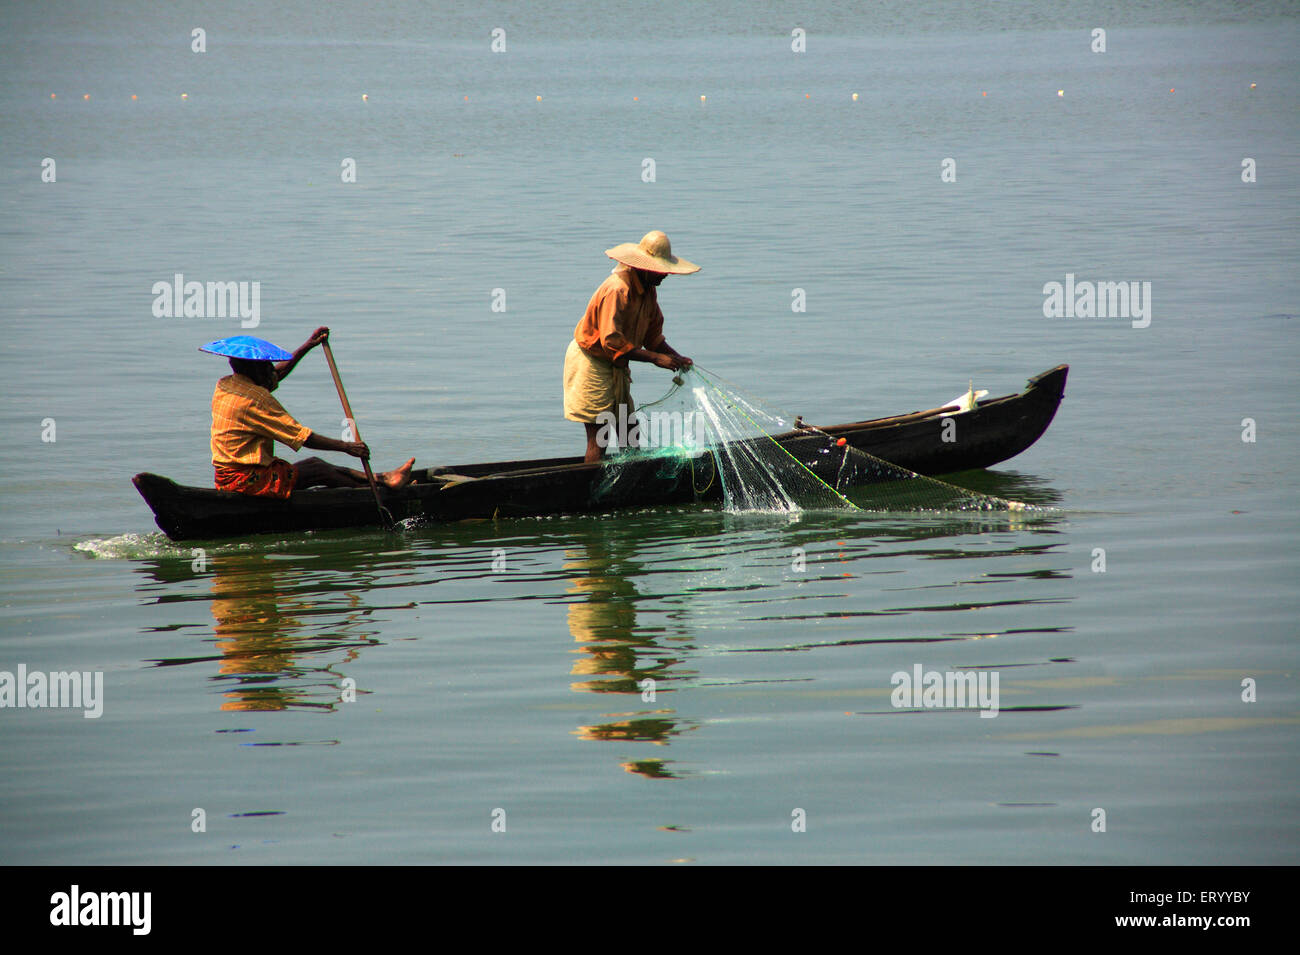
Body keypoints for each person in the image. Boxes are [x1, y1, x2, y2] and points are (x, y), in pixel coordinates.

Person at [203, 328, 414, 498]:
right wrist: (348, 447)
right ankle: (373, 494)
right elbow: (303, 438)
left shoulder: (226, 385)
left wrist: (307, 346)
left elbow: (277, 374)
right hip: (249, 480)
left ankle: (382, 478)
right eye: (267, 365)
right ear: (255, 370)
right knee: (318, 470)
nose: (271, 369)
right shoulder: (255, 399)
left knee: (315, 466)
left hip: (227, 476)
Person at [563, 230, 698, 463]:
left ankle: (633, 486)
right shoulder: (618, 289)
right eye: (661, 269)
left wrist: (676, 357)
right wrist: (655, 359)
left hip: (616, 364)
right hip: (592, 363)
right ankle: (590, 494)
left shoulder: (648, 292)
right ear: (644, 267)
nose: (665, 275)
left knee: (629, 435)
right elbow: (611, 341)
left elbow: (653, 337)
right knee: (600, 437)